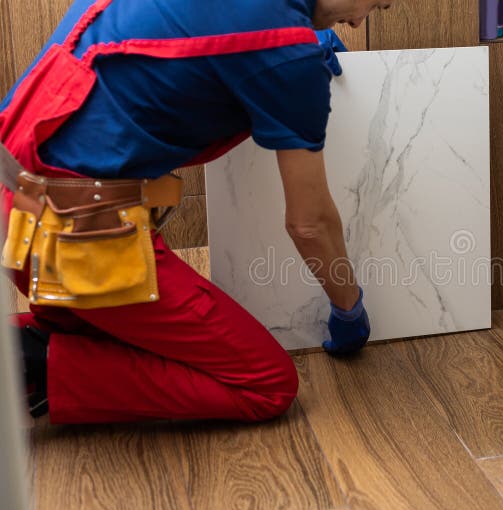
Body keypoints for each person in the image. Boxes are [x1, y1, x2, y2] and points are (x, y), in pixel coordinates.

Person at [0, 0, 394, 424]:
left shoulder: (272, 38)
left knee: (98, 335)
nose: (357, 21)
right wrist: (348, 306)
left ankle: (39, 342)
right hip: (71, 236)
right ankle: (36, 368)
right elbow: (309, 223)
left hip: (15, 198)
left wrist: (294, 45)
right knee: (266, 385)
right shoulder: (283, 51)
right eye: (375, 3)